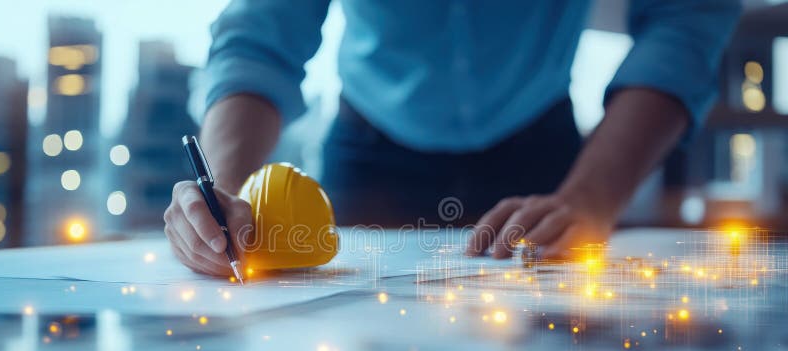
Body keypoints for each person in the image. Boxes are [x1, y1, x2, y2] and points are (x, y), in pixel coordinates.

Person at [164, 0, 740, 276]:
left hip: (553, 168)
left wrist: (593, 196)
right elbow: (262, 35)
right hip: (369, 156)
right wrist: (224, 196)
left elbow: (686, 17)